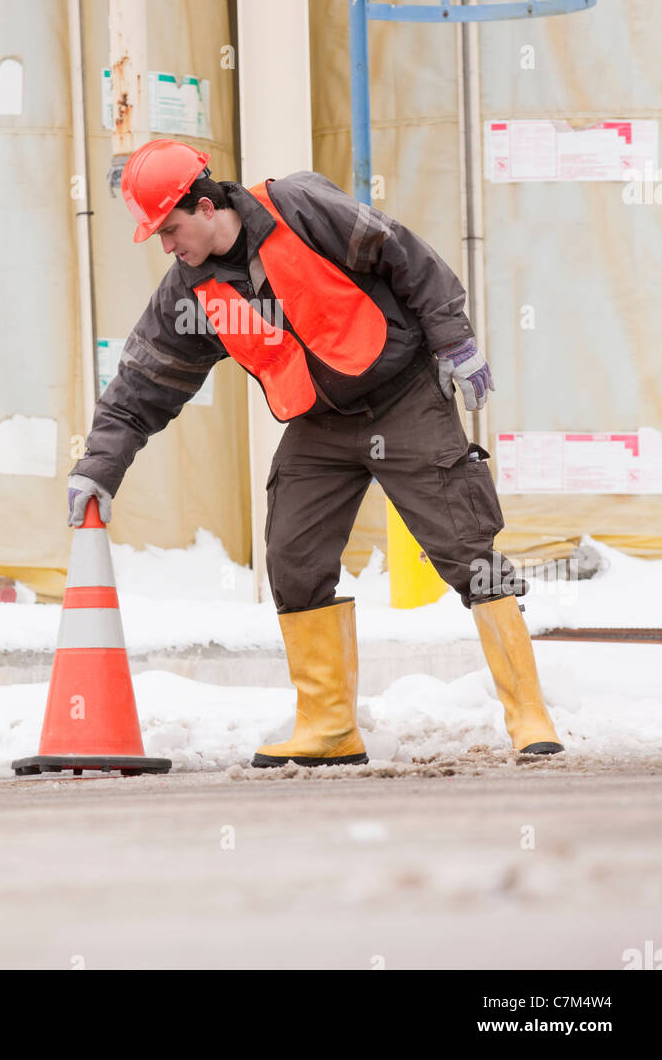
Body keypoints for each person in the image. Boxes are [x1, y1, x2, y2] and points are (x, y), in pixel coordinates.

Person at [68, 139, 563, 767]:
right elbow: (142, 384)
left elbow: (407, 256)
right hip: (319, 425)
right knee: (293, 557)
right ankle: (330, 729)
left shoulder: (299, 207)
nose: (167, 246)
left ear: (203, 204)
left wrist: (454, 343)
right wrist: (98, 467)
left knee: (467, 548)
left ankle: (529, 715)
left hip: (403, 396)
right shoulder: (188, 295)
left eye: (169, 229)